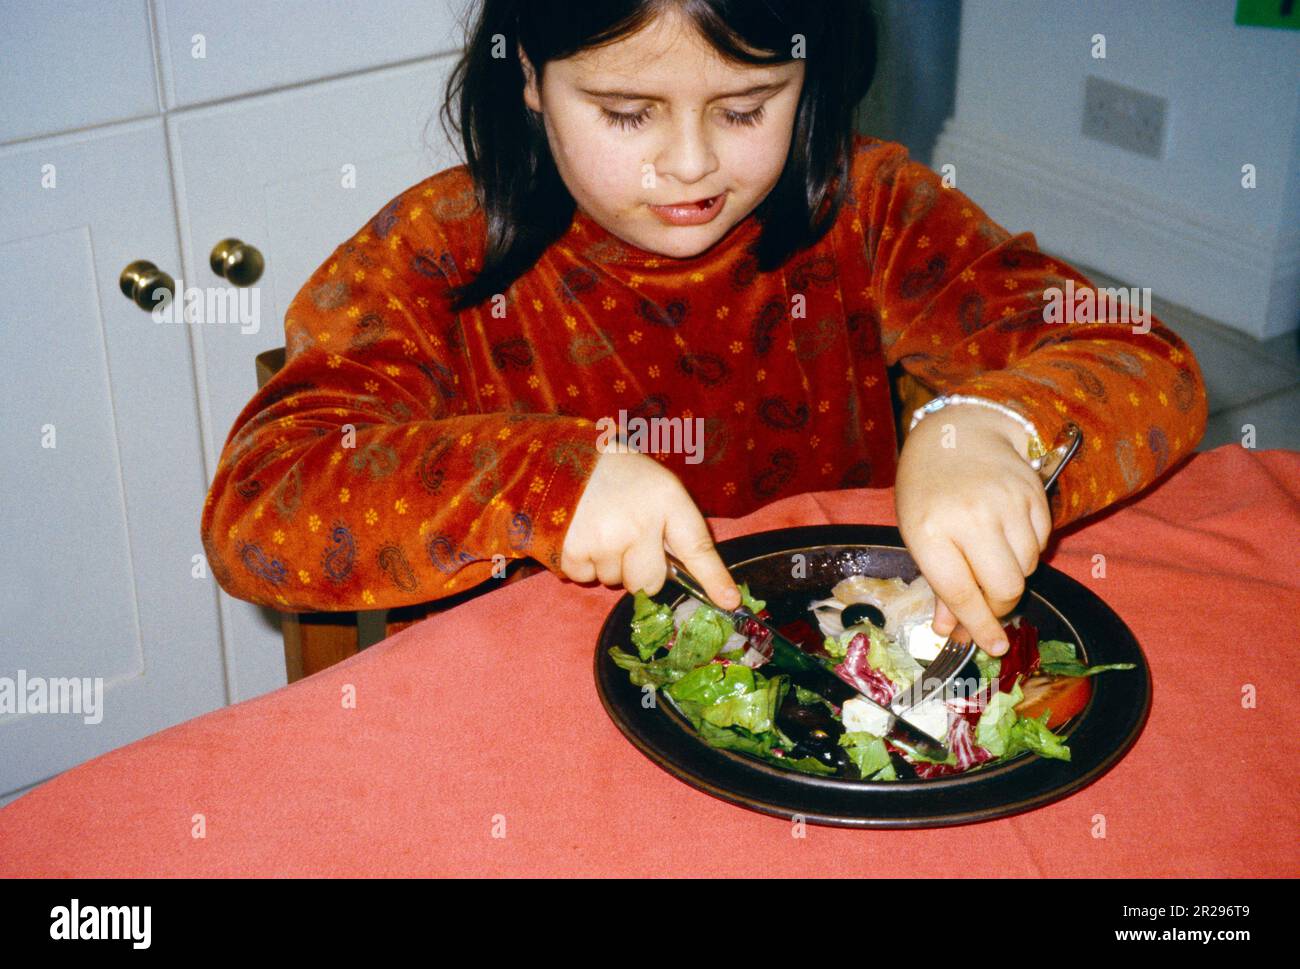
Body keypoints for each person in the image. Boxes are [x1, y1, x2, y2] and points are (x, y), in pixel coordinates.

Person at [200, 0, 1207, 658]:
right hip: (535, 728)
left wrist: (988, 425)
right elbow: (257, 509)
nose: (689, 166)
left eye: (745, 108)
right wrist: (541, 484)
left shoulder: (872, 209)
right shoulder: (436, 252)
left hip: (834, 694)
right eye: (626, 113)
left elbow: (1142, 359)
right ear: (528, 80)